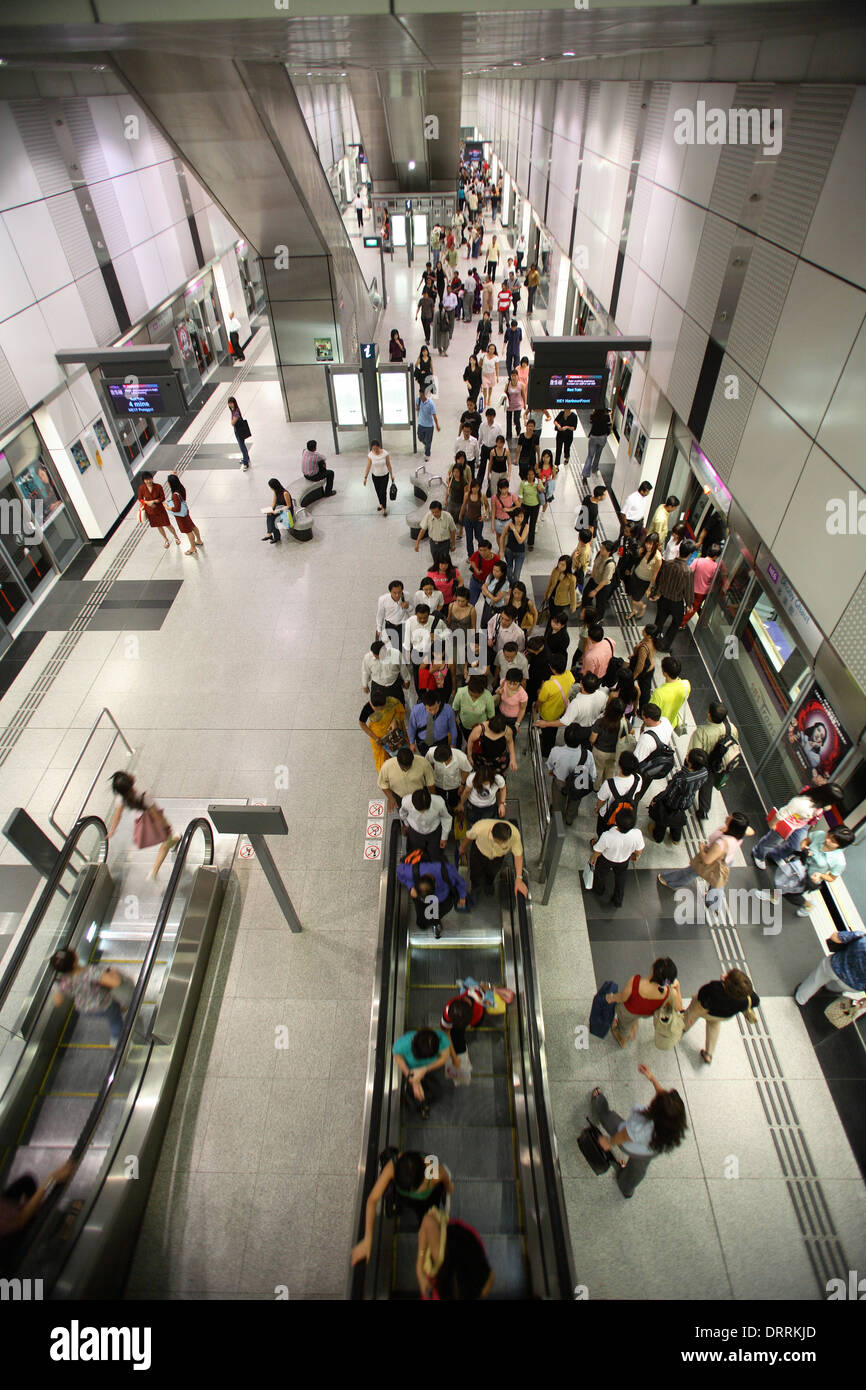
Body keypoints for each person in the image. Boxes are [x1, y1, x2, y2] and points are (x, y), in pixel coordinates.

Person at [590, 1065, 687, 1198]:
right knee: (636, 1172)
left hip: (629, 1145)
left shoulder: (642, 1124)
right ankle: (626, 1188)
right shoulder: (671, 1126)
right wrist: (652, 1079)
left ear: (656, 1110)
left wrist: (609, 1141)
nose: (658, 1093)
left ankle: (598, 1101)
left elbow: (625, 1135)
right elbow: (663, 1100)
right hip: (648, 1152)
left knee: (610, 1118)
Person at [658, 811, 753, 920]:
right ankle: (714, 904)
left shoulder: (721, 843)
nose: (727, 817)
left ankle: (670, 881)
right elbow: (751, 831)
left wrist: (702, 848)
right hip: (726, 861)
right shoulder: (739, 834)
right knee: (717, 884)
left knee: (690, 872)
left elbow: (707, 860)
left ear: (733, 827)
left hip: (713, 860)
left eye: (729, 819)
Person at [754, 825, 855, 917]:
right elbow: (805, 841)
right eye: (829, 835)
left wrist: (820, 875)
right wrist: (804, 847)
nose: (827, 840)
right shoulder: (820, 835)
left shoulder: (839, 861)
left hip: (808, 879)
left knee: (792, 895)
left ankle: (808, 905)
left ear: (840, 845)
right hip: (798, 866)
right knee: (783, 882)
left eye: (833, 841)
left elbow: (832, 877)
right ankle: (774, 896)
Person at [751, 782, 843, 870]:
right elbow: (784, 812)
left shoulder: (821, 803)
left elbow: (824, 808)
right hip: (787, 822)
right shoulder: (802, 803)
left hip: (801, 823)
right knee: (772, 841)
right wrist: (773, 823)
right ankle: (758, 854)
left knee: (797, 845)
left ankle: (776, 855)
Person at [50, 946, 129, 1045]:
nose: (75, 951)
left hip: (84, 1009)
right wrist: (114, 972)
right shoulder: (90, 972)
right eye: (73, 952)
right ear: (74, 962)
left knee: (114, 1009)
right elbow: (116, 983)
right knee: (115, 1020)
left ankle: (120, 1009)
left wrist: (58, 988)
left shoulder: (62, 982)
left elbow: (57, 1002)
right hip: (104, 1005)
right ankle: (116, 1041)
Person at [107, 770, 177, 877]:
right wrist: (166, 826)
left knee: (169, 839)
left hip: (141, 822)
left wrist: (112, 830)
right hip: (154, 821)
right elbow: (156, 814)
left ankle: (175, 842)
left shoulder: (121, 799)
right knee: (166, 841)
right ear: (131, 781)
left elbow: (117, 815)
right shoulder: (145, 796)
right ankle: (154, 872)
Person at [681, 970, 759, 1066]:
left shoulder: (714, 988)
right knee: (713, 1027)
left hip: (705, 1010)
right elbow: (756, 1001)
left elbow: (702, 995)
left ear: (727, 982)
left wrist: (721, 983)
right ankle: (708, 1053)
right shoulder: (747, 998)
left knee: (691, 1014)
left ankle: (683, 1028)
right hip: (723, 1016)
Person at [416, 1214, 494, 1300]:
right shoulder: (440, 1254)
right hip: (450, 1244)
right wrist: (420, 1272)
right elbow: (428, 1221)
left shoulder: (484, 1281)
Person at [606, 957, 681, 1045]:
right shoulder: (668, 992)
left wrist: (611, 997)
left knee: (624, 1026)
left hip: (628, 1011)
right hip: (646, 1013)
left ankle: (622, 1038)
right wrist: (678, 987)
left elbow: (622, 997)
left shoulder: (635, 982)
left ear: (653, 969)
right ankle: (634, 1021)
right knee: (636, 1016)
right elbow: (678, 1007)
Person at [588, 807, 645, 910]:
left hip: (606, 860)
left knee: (601, 875)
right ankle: (618, 900)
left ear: (616, 821)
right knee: (621, 878)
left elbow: (598, 851)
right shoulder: (637, 834)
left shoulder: (607, 835)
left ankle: (599, 890)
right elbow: (639, 851)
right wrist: (635, 855)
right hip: (623, 860)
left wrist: (592, 859)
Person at [689, 701, 738, 820]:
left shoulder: (702, 732)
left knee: (691, 780)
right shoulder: (731, 728)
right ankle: (704, 810)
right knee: (708, 784)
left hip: (704, 761)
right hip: (718, 762)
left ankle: (685, 793)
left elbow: (694, 752)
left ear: (709, 715)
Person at [647, 749, 709, 844]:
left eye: (688, 756)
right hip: (687, 802)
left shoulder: (681, 779)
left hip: (672, 803)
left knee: (663, 818)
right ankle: (676, 838)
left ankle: (658, 836)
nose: (686, 756)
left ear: (690, 764)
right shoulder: (704, 772)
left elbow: (668, 793)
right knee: (678, 819)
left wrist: (656, 799)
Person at [397, 857, 468, 937]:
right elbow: (399, 870)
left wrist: (462, 896)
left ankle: (435, 922)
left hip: (443, 900)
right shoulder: (412, 871)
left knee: (438, 914)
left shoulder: (447, 871)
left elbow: (460, 882)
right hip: (420, 901)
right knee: (422, 918)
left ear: (435, 884)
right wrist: (411, 886)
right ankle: (423, 924)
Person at [393, 1027, 454, 1118]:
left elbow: (444, 1057)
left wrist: (424, 1069)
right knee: (414, 1102)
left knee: (436, 1093)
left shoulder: (442, 1039)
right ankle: (419, 1104)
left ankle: (423, 1103)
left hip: (426, 1071)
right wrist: (413, 1080)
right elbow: (397, 1057)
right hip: (411, 1070)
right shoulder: (401, 1044)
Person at [460, 817, 528, 898]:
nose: (501, 845)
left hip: (497, 858)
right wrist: (462, 848)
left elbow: (518, 856)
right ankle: (475, 887)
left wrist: (519, 879)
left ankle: (489, 885)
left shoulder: (515, 835)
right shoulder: (480, 827)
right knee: (475, 872)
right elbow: (469, 836)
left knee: (492, 872)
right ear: (492, 834)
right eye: (499, 842)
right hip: (479, 853)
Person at [795, 929, 866, 1006]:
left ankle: (800, 998)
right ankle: (824, 994)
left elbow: (835, 937)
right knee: (833, 989)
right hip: (852, 985)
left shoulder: (861, 937)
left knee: (815, 981)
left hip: (834, 966)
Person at [649, 540, 696, 647]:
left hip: (663, 599)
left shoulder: (668, 563)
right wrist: (689, 604)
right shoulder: (688, 571)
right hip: (676, 602)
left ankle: (653, 640)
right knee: (675, 623)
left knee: (659, 620)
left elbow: (661, 579)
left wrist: (657, 593)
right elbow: (688, 589)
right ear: (689, 554)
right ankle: (665, 644)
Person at [547, 725, 597, 823]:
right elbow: (593, 774)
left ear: (565, 738)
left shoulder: (556, 751)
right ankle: (570, 818)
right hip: (579, 781)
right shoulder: (587, 754)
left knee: (558, 802)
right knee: (575, 800)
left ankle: (558, 819)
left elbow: (550, 766)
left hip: (561, 782)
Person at [358, 688, 408, 776]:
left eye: (383, 707)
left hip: (394, 730)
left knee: (402, 751)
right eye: (378, 709)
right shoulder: (367, 708)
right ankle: (387, 776)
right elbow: (362, 723)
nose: (381, 710)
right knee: (381, 758)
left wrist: (395, 721)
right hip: (379, 736)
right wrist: (375, 738)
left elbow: (399, 710)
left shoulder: (392, 701)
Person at [535, 654, 576, 758]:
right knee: (552, 733)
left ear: (552, 668)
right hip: (560, 710)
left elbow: (540, 700)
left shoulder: (548, 685)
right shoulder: (569, 675)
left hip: (547, 714)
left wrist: (536, 707)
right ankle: (549, 744)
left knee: (546, 731)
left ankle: (546, 752)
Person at [399, 786, 452, 858]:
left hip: (434, 833)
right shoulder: (406, 801)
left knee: (435, 854)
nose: (422, 813)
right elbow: (403, 814)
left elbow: (446, 818)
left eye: (425, 810)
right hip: (415, 832)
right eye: (420, 811)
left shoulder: (439, 802)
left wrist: (444, 837)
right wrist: (406, 825)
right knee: (415, 853)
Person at [378, 745, 434, 812]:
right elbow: (382, 784)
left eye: (408, 766)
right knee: (403, 813)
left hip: (419, 796)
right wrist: (391, 798)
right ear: (397, 761)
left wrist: (433, 799)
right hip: (399, 797)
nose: (406, 769)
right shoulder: (387, 766)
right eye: (403, 767)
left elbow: (431, 782)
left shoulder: (423, 763)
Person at [682, 543, 722, 624]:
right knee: (694, 607)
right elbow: (714, 579)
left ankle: (680, 617)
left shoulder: (698, 561)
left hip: (691, 588)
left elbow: (689, 572)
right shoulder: (715, 567)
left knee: (686, 603)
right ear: (716, 556)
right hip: (703, 592)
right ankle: (682, 623)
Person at [467, 712, 517, 777]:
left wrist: (513, 758)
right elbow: (470, 741)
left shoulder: (507, 731)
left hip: (499, 759)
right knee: (482, 775)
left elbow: (510, 743)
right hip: (482, 759)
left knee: (498, 776)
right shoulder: (480, 729)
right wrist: (469, 756)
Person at [408, 690, 458, 755]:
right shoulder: (416, 711)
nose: (433, 712)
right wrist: (412, 743)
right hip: (423, 743)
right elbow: (412, 727)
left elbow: (453, 728)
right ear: (424, 705)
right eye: (429, 709)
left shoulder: (448, 710)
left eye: (435, 708)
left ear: (439, 702)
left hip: (441, 742)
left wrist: (453, 743)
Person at [626, 533, 663, 619]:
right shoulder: (643, 549)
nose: (648, 546)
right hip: (636, 575)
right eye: (647, 543)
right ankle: (634, 610)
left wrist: (649, 588)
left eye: (651, 544)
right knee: (632, 595)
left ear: (656, 544)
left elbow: (655, 574)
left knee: (636, 599)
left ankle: (642, 607)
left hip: (644, 581)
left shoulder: (658, 558)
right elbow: (636, 559)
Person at [137, 472, 179, 549]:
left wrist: (154, 501)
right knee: (159, 526)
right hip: (150, 511)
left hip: (160, 510)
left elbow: (162, 498)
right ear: (143, 480)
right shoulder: (141, 488)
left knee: (167, 524)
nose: (148, 481)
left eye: (149, 479)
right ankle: (166, 540)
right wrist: (147, 502)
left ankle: (176, 537)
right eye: (146, 480)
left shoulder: (158, 486)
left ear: (152, 478)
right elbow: (140, 499)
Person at [427, 741, 472, 812]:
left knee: (453, 801)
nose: (444, 763)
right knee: (440, 799)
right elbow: (429, 764)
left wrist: (462, 785)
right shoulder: (431, 752)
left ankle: (453, 809)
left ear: (450, 756)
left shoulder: (461, 757)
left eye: (446, 761)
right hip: (438, 782)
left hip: (453, 784)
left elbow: (466, 771)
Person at [164, 474, 202, 555]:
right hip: (185, 513)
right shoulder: (181, 488)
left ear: (171, 484)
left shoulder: (175, 495)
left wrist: (167, 507)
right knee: (193, 526)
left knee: (188, 531)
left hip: (181, 516)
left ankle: (193, 548)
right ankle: (199, 540)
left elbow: (176, 509)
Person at [363, 637, 408, 706]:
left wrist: (406, 680)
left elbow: (403, 668)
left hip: (394, 684)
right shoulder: (367, 658)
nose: (380, 658)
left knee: (400, 705)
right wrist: (365, 685)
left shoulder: (396, 654)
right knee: (377, 707)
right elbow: (366, 672)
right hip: (378, 685)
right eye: (377, 657)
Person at [452, 673, 496, 740]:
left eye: (477, 696)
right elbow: (455, 709)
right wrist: (454, 722)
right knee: (468, 738)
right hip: (465, 725)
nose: (474, 697)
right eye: (471, 694)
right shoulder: (461, 693)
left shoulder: (487, 696)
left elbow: (491, 716)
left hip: (481, 728)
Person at [652, 655, 691, 728]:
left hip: (659, 726)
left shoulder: (658, 693)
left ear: (665, 673)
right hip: (672, 723)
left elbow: (651, 714)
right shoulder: (686, 685)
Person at [582, 541, 617, 619]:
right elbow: (595, 565)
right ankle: (587, 611)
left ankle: (599, 617)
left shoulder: (610, 564)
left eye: (603, 549)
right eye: (601, 547)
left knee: (600, 604)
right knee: (586, 596)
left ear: (609, 552)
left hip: (603, 586)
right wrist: (592, 575)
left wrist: (596, 590)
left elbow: (605, 580)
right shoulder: (599, 554)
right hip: (594, 580)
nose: (601, 549)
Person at [415, 499, 457, 565]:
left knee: (444, 562)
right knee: (436, 561)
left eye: (436, 512)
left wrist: (453, 544)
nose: (434, 514)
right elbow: (422, 530)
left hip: (445, 544)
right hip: (433, 544)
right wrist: (417, 543)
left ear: (441, 510)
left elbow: (452, 530)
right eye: (432, 512)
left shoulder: (448, 516)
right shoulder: (428, 515)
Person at [362, 440, 395, 516]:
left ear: (379, 447)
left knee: (383, 492)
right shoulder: (370, 455)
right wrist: (365, 477)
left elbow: (388, 464)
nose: (375, 450)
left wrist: (391, 475)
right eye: (373, 449)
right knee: (378, 492)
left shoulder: (385, 453)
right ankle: (381, 504)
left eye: (376, 448)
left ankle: (384, 508)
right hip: (375, 476)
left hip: (384, 476)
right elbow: (368, 466)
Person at [499, 506, 529, 586]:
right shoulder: (508, 525)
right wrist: (501, 550)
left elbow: (520, 540)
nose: (519, 519)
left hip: (520, 553)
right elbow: (502, 537)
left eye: (521, 516)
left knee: (516, 575)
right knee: (509, 572)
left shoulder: (526, 526)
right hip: (509, 551)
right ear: (513, 517)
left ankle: (514, 587)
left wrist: (514, 530)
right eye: (517, 516)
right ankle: (512, 586)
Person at [518, 466, 546, 550]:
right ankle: (521, 540)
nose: (530, 476)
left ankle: (530, 543)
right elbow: (520, 495)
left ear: (534, 474)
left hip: (535, 506)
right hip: (525, 506)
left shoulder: (538, 481)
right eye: (529, 474)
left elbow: (543, 490)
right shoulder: (523, 483)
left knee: (532, 524)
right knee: (523, 523)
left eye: (532, 474)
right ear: (526, 475)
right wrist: (519, 507)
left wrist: (539, 489)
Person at [544, 556, 579, 623]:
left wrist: (573, 605)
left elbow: (572, 593)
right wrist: (546, 594)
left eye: (562, 565)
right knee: (551, 615)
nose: (559, 566)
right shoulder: (555, 571)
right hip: (551, 597)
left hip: (561, 602)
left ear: (568, 566)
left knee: (556, 617)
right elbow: (550, 583)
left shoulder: (571, 578)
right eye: (559, 563)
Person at [494, 667, 529, 734]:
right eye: (509, 683)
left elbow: (522, 709)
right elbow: (497, 691)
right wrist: (499, 691)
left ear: (520, 682)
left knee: (511, 735)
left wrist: (517, 723)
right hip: (501, 713)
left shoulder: (522, 695)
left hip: (513, 718)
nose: (511, 686)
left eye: (515, 684)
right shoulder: (503, 682)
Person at [376, 580, 410, 646]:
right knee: (392, 646)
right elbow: (380, 615)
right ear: (390, 592)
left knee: (403, 646)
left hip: (403, 625)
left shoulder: (407, 596)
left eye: (400, 592)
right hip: (390, 625)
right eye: (394, 593)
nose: (397, 595)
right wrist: (379, 629)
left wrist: (408, 607)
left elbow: (414, 611)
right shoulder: (383, 599)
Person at [261, 477, 294, 544]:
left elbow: (288, 506)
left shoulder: (285, 493)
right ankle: (270, 534)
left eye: (271, 487)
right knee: (269, 515)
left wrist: (277, 511)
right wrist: (270, 510)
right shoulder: (276, 492)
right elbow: (273, 503)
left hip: (287, 512)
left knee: (272, 517)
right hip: (280, 510)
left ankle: (272, 535)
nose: (271, 488)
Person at [581, 405, 611, 478]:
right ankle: (594, 468)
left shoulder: (593, 416)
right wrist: (610, 415)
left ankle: (585, 474)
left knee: (590, 456)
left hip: (593, 437)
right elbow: (610, 425)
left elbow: (592, 423)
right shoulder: (606, 417)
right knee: (598, 454)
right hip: (602, 437)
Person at [479, 557, 510, 627]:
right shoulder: (490, 576)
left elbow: (496, 600)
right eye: (494, 570)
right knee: (484, 623)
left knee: (492, 625)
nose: (494, 572)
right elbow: (483, 588)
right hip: (487, 604)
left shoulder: (505, 583)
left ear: (502, 572)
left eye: (497, 571)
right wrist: (491, 595)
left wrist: (487, 592)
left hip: (497, 608)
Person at [466, 536, 496, 606]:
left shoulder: (495, 559)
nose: (482, 552)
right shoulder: (477, 554)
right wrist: (476, 569)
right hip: (475, 581)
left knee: (489, 604)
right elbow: (472, 561)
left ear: (490, 549)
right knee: (471, 603)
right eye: (480, 550)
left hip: (488, 584)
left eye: (485, 550)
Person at [445, 453, 473, 528]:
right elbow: (449, 488)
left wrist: (463, 506)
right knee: (449, 518)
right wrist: (446, 499)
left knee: (461, 518)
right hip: (452, 501)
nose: (455, 473)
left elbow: (465, 495)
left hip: (460, 503)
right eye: (454, 472)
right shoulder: (452, 478)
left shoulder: (464, 481)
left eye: (457, 472)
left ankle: (460, 532)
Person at [501, 370, 526, 443]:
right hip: (509, 405)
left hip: (518, 405)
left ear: (517, 376)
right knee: (508, 420)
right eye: (512, 375)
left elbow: (523, 395)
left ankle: (518, 430)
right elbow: (504, 393)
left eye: (515, 375)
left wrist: (524, 404)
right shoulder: (508, 384)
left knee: (516, 419)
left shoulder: (521, 385)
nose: (514, 377)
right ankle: (509, 434)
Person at [226, 396, 250, 471]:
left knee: (242, 446)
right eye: (229, 403)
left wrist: (233, 421)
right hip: (237, 430)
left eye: (231, 403)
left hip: (239, 431)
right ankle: (246, 458)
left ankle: (246, 463)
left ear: (234, 403)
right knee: (242, 445)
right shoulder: (233, 410)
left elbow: (232, 423)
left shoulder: (236, 412)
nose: (230, 405)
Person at [480, 342, 500, 409]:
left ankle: (489, 398)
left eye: (493, 349)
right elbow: (480, 364)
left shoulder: (496, 358)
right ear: (488, 349)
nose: (491, 350)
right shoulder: (483, 355)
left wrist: (497, 377)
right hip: (484, 374)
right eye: (490, 349)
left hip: (492, 374)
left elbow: (497, 368)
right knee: (485, 388)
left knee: (490, 387)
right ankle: (485, 400)